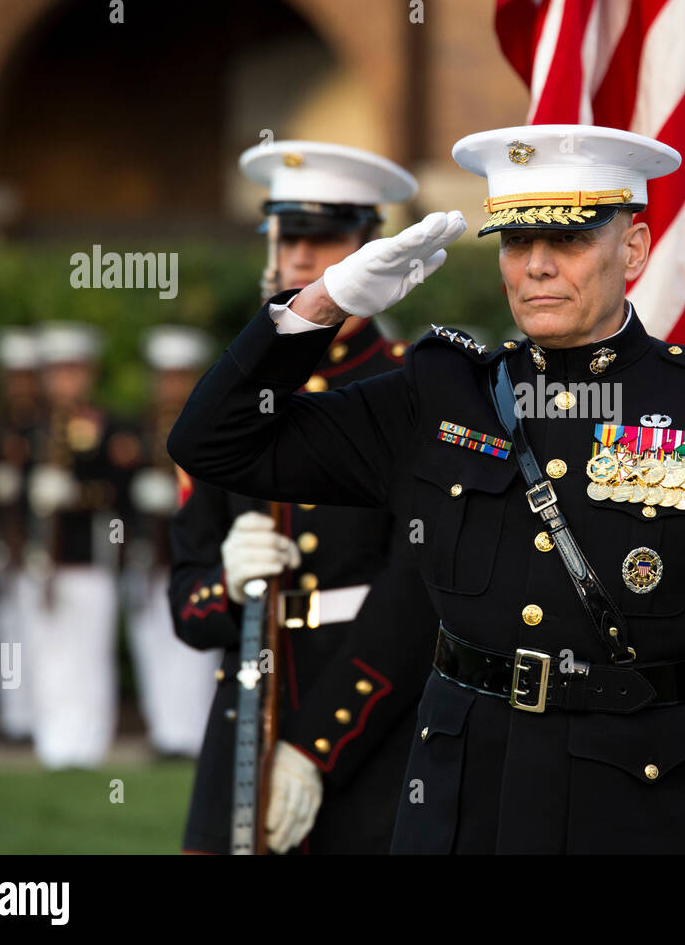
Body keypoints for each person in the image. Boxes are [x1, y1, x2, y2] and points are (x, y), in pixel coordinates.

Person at [168, 124, 685, 853]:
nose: (539, 267)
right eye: (518, 243)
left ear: (636, 249)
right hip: (462, 806)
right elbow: (214, 441)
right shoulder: (442, 398)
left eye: (571, 240)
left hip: (636, 812)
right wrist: (323, 302)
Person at [169, 140, 438, 854]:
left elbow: (416, 597)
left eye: (321, 238)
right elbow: (187, 605)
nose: (296, 257)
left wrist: (316, 746)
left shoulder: (410, 386)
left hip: (367, 708)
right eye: (285, 236)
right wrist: (223, 584)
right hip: (247, 703)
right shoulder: (231, 397)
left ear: (370, 249)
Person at [20, 321, 139, 769]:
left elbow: (122, 489)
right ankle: (53, 741)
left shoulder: (107, 428)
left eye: (74, 371)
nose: (65, 381)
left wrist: (75, 494)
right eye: (57, 371)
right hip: (40, 562)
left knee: (89, 654)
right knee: (47, 654)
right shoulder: (30, 430)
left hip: (90, 556)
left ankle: (87, 743)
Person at [123, 326, 221, 757]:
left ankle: (196, 733)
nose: (171, 386)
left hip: (201, 550)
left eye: (180, 376)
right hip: (150, 551)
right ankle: (165, 731)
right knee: (151, 642)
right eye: (165, 377)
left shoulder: (212, 419)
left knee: (197, 646)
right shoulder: (138, 427)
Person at [0, 327, 43, 742]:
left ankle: (39, 716)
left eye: (25, 375)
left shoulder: (45, 426)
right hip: (1, 543)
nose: (18, 384)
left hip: (39, 546)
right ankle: (13, 719)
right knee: (6, 636)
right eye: (12, 375)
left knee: (39, 635)